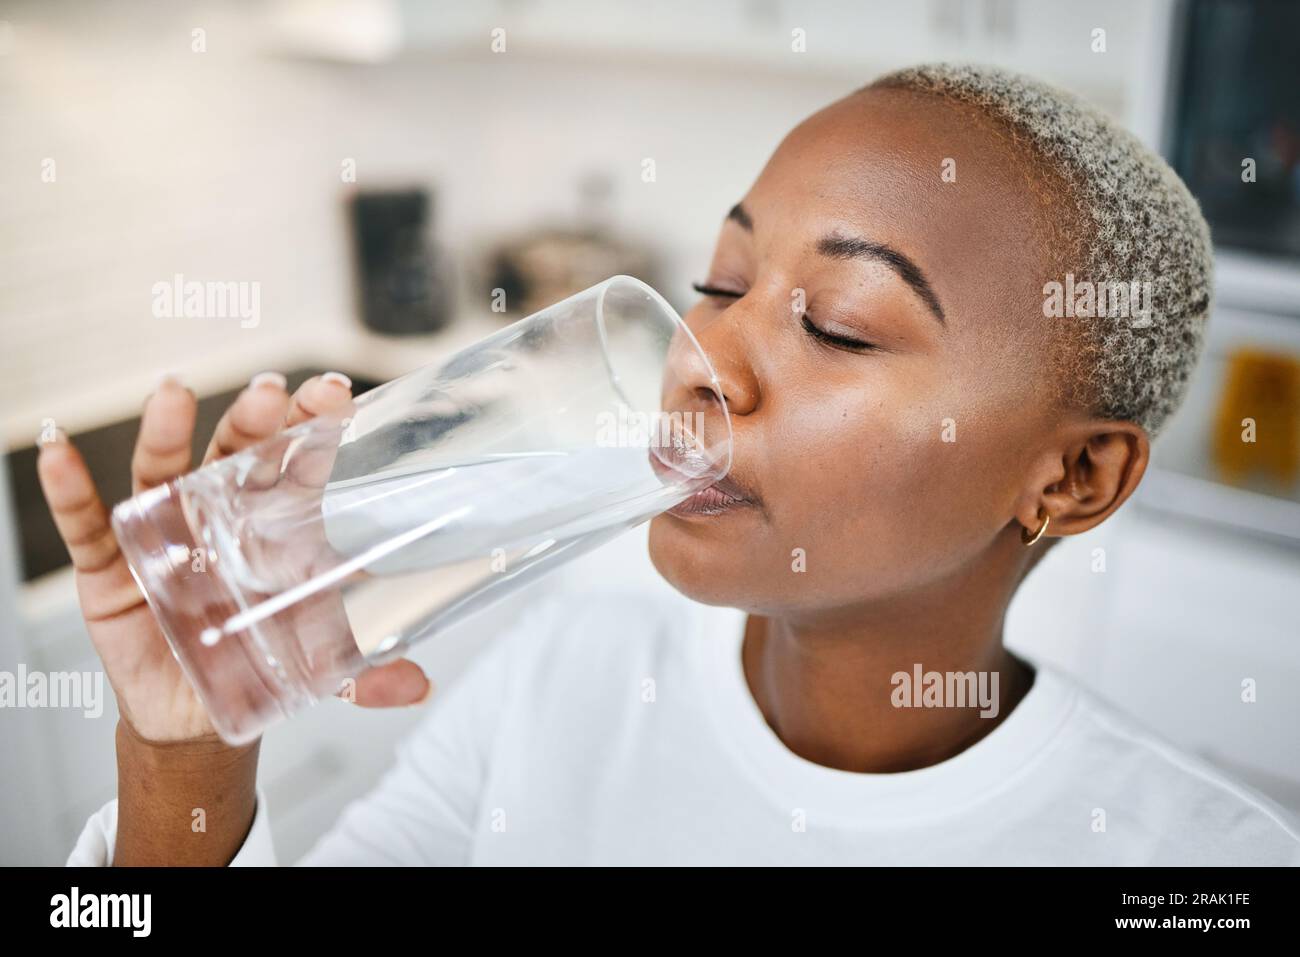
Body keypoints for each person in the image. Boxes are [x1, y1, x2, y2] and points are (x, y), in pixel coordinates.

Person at [48, 64, 1299, 865]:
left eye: (840, 324)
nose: (701, 354)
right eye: (721, 282)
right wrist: (182, 760)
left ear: (1071, 479)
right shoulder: (566, 675)